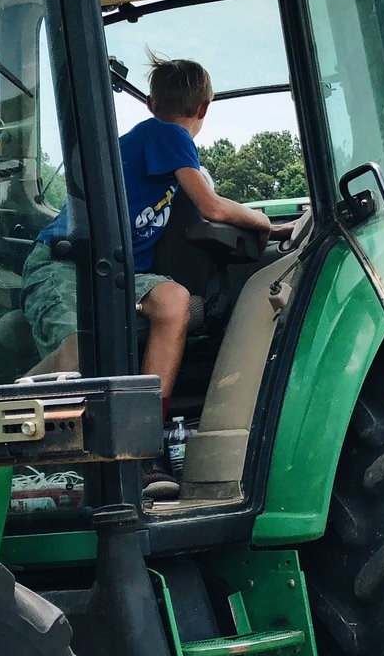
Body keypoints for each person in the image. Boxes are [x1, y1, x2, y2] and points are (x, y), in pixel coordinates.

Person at [21, 56, 289, 496]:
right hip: (64, 264)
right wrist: (267, 222)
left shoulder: (156, 143)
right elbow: (213, 207)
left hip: (115, 275)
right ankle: (9, 416)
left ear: (150, 102)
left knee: (173, 301)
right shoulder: (167, 135)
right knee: (79, 353)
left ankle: (146, 442)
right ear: (204, 107)